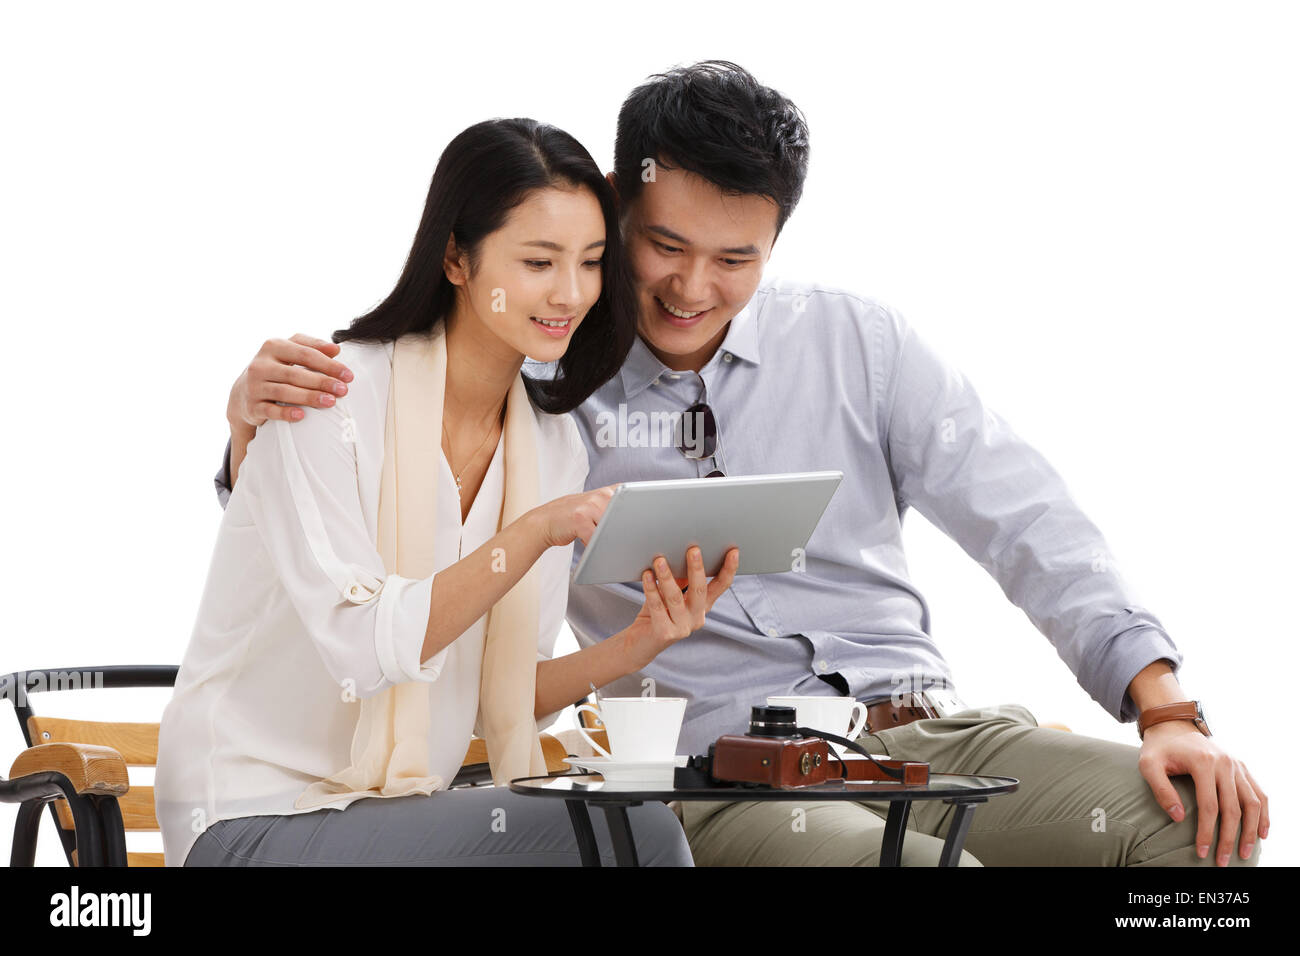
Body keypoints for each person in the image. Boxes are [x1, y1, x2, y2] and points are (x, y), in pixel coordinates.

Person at [213, 62, 1268, 867]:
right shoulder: (542, 392)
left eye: (735, 258)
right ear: (615, 211)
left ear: (777, 241)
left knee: (1193, 832)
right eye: (664, 244)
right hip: (723, 776)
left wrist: (1164, 706)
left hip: (929, 733)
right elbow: (384, 508)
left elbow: (1028, 516)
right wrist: (250, 427)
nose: (690, 287)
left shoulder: (862, 345)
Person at [158, 117, 739, 867]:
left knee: (629, 822)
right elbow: (363, 647)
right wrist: (532, 532)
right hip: (246, 815)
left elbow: (505, 689)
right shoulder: (327, 400)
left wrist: (642, 641)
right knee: (636, 835)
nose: (571, 292)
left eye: (591, 262)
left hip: (397, 817)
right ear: (456, 258)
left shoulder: (550, 445)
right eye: (539, 261)